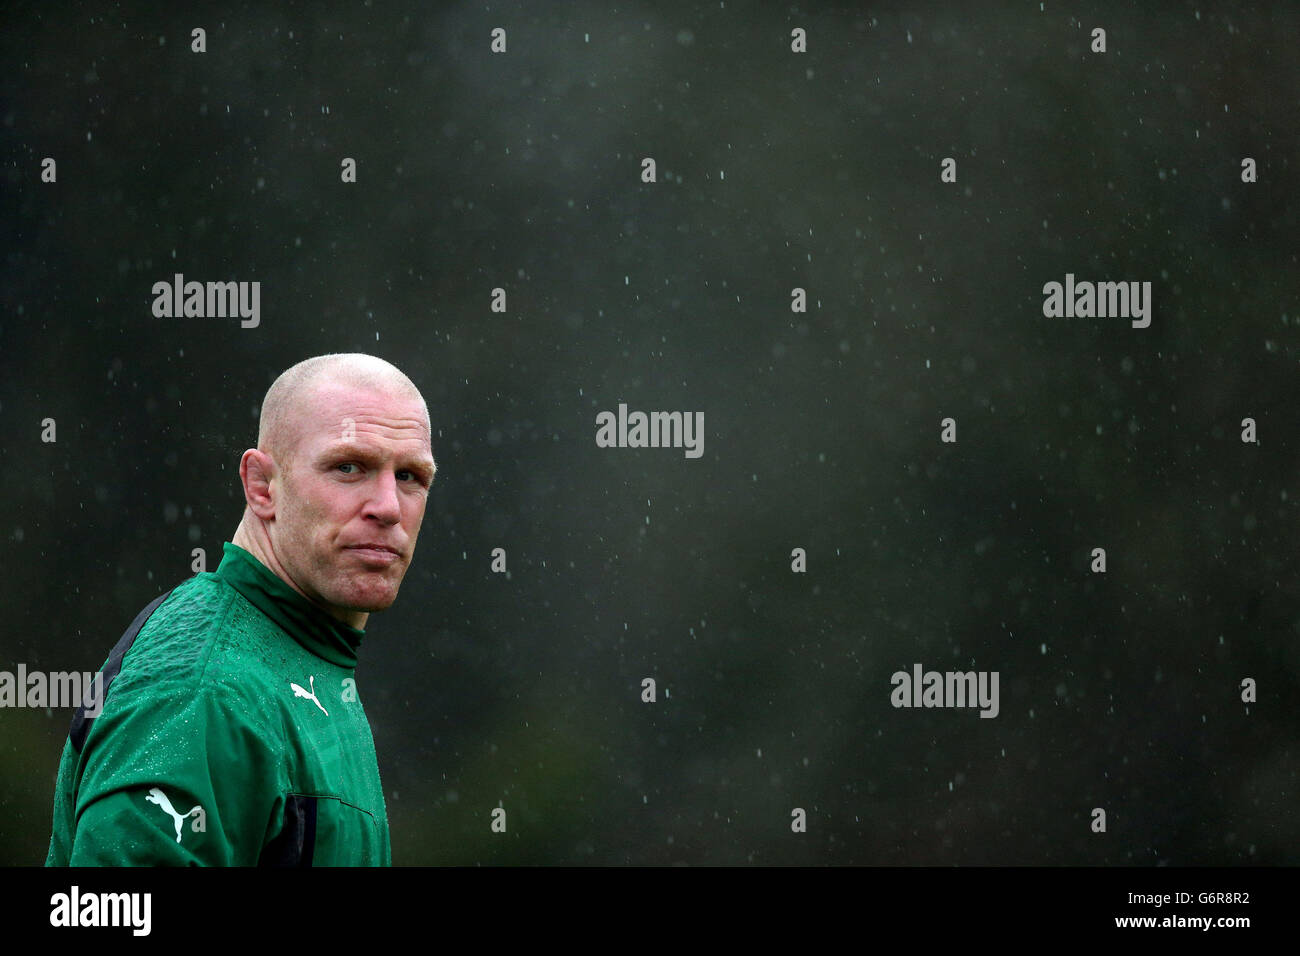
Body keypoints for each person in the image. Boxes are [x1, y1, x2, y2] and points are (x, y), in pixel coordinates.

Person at [45, 353, 436, 865]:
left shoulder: (302, 651)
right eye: (349, 467)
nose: (388, 506)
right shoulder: (203, 690)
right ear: (261, 486)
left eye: (409, 476)